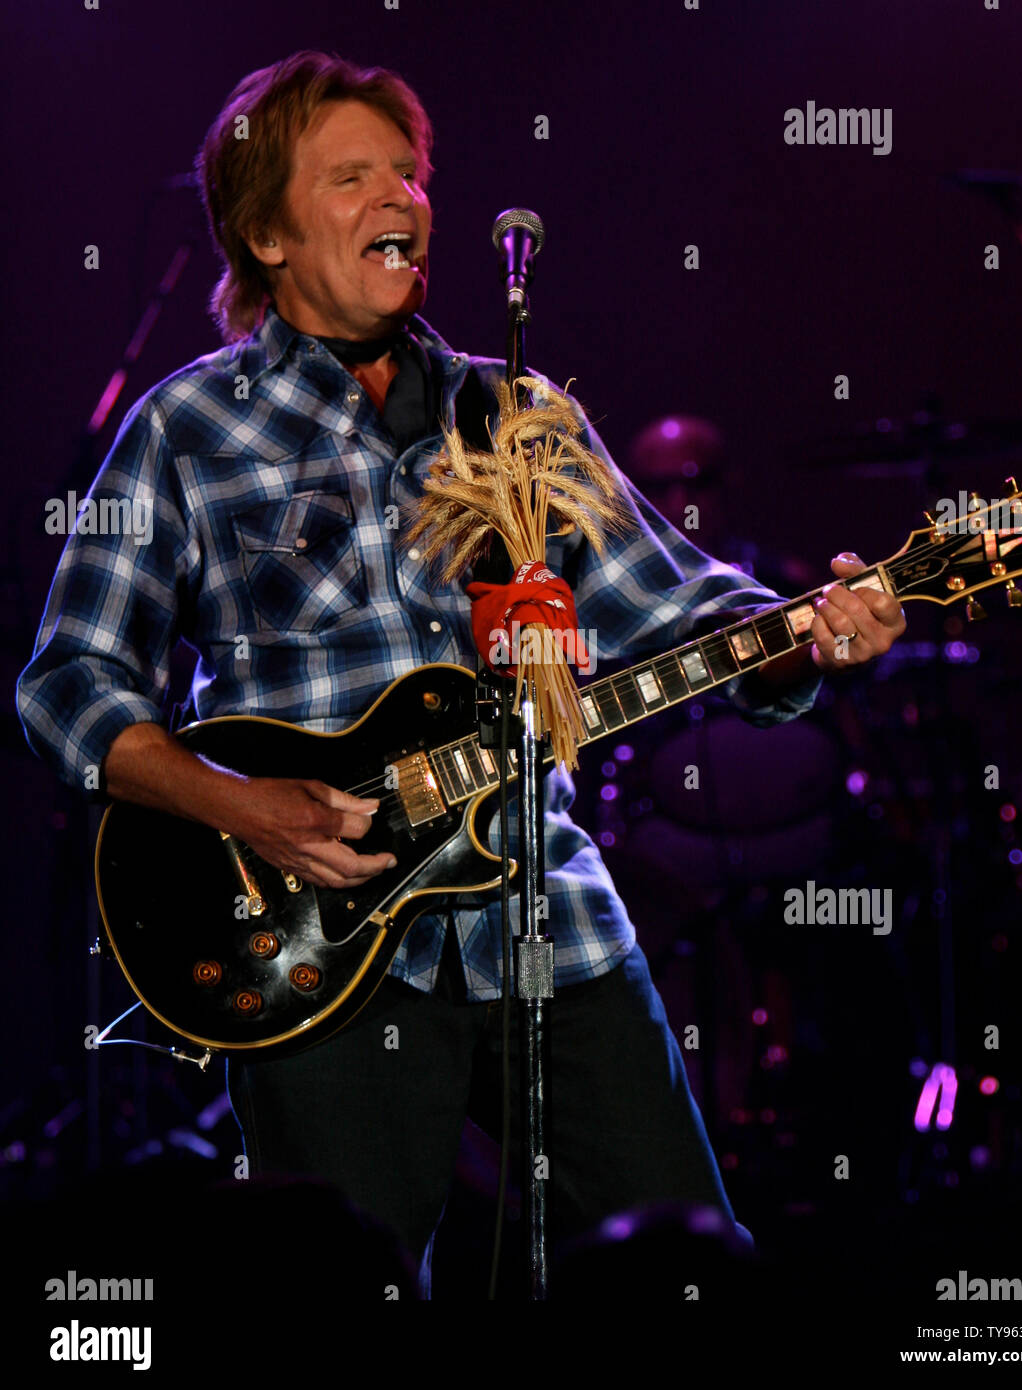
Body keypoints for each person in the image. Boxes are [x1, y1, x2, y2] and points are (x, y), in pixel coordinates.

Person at [16, 50, 907, 1295]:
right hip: (309, 947)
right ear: (266, 234)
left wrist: (807, 628)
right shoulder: (186, 428)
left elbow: (677, 603)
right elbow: (67, 686)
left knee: (700, 1275)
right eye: (351, 176)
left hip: (546, 921)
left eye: (407, 172)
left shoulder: (516, 412)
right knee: (347, 1293)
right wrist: (239, 804)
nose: (401, 197)